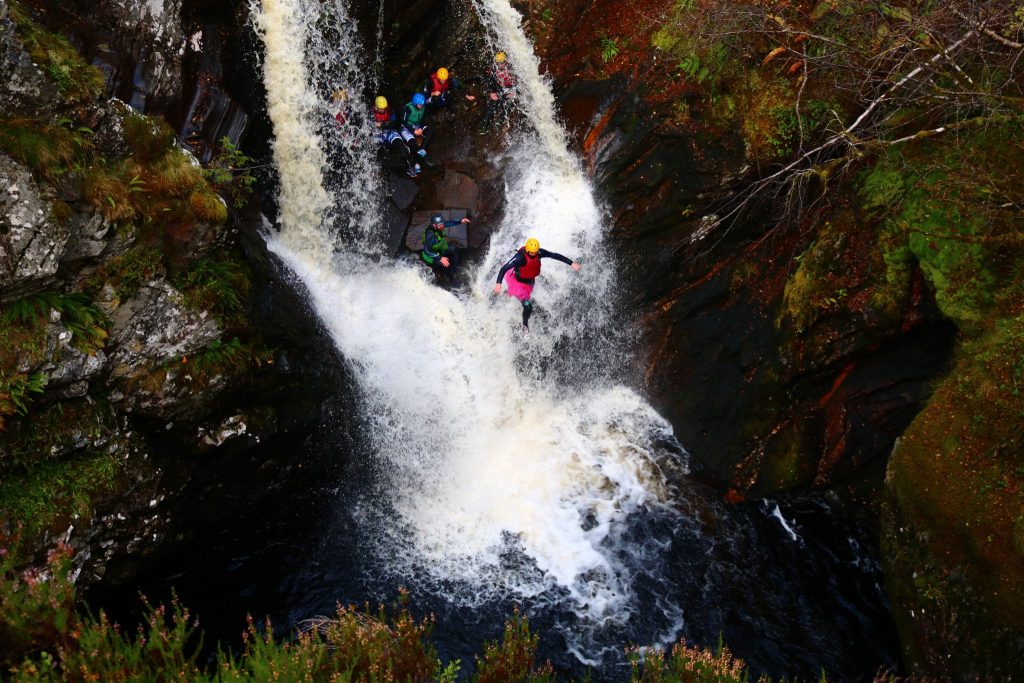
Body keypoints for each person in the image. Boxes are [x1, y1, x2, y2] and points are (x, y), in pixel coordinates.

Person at [492, 237, 581, 330]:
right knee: (528, 307)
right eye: (531, 252)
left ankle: (506, 293)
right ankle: (525, 326)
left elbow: (554, 255)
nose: (534, 254)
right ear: (527, 250)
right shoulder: (520, 257)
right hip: (518, 284)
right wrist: (498, 283)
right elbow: (504, 269)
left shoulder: (539, 253)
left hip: (530, 282)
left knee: (519, 295)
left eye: (535, 252)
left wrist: (571, 263)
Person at [422, 213, 471, 278]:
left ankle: (454, 270)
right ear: (434, 225)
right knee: (443, 263)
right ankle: (449, 277)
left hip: (439, 248)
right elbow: (427, 250)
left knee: (455, 250)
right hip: (431, 254)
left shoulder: (439, 225)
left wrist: (460, 221)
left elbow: (449, 223)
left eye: (442, 223)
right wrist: (440, 258)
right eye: (440, 225)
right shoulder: (430, 235)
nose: (442, 226)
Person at [479, 52, 517, 134]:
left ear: (505, 61)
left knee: (508, 102)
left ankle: (501, 119)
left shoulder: (511, 69)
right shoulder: (493, 69)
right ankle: (486, 125)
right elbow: (489, 82)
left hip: (510, 89)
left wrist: (513, 92)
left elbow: (516, 84)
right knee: (491, 106)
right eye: (498, 63)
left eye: (502, 62)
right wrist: (491, 92)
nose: (500, 65)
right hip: (499, 89)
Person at [400, 92, 431, 160]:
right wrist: (413, 131)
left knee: (429, 131)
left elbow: (423, 119)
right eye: (419, 104)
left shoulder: (423, 107)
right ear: (415, 103)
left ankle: (422, 149)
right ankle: (414, 159)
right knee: (413, 143)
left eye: (422, 104)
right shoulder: (408, 108)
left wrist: (420, 128)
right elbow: (403, 122)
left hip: (417, 126)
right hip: (406, 127)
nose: (421, 106)